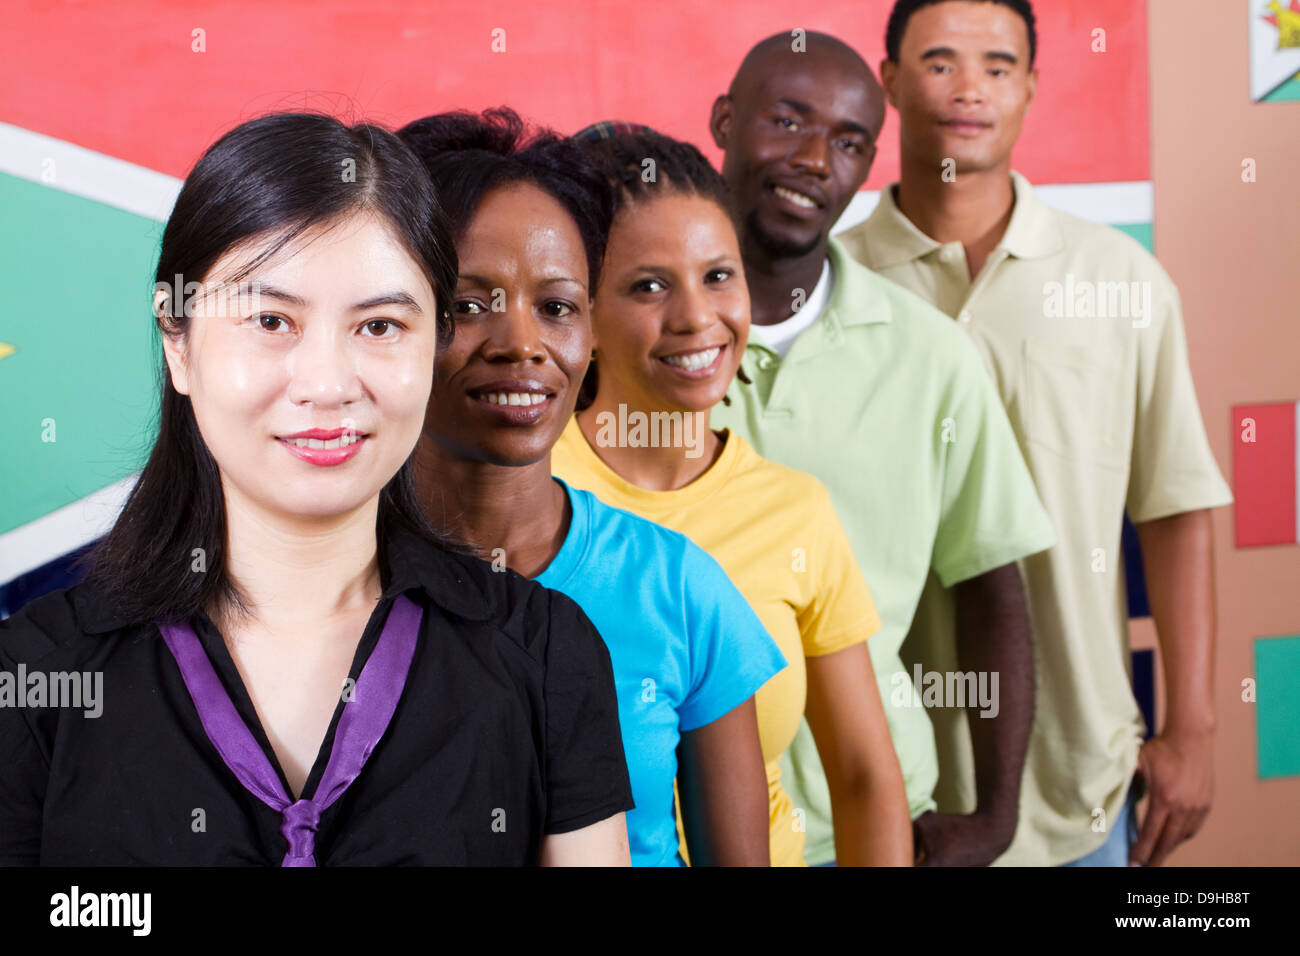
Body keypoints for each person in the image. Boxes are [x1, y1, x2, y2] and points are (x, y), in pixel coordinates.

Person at [0, 112, 633, 866]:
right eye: (271, 319)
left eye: (379, 327)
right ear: (179, 344)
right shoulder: (40, 672)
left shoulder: (545, 653)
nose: (329, 385)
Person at [838, 0, 1232, 867]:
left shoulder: (1122, 282)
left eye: (999, 65)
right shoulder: (830, 286)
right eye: (939, 61)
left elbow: (1174, 507)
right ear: (890, 82)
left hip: (1079, 783)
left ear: (1032, 88)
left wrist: (1193, 729)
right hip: (876, 784)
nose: (969, 88)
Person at [398, 108, 784, 867]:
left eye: (557, 307)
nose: (522, 345)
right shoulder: (325, 583)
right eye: (470, 305)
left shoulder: (676, 586)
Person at [707, 31, 1057, 866]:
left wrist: (995, 814)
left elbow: (990, 585)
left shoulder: (929, 356)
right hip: (669, 829)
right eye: (788, 121)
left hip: (870, 822)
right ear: (724, 120)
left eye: (850, 141)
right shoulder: (632, 336)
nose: (814, 159)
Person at [554, 128, 912, 866]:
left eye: (718, 276)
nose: (696, 316)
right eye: (648, 285)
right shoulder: (528, 500)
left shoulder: (796, 510)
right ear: (580, 316)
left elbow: (866, 777)